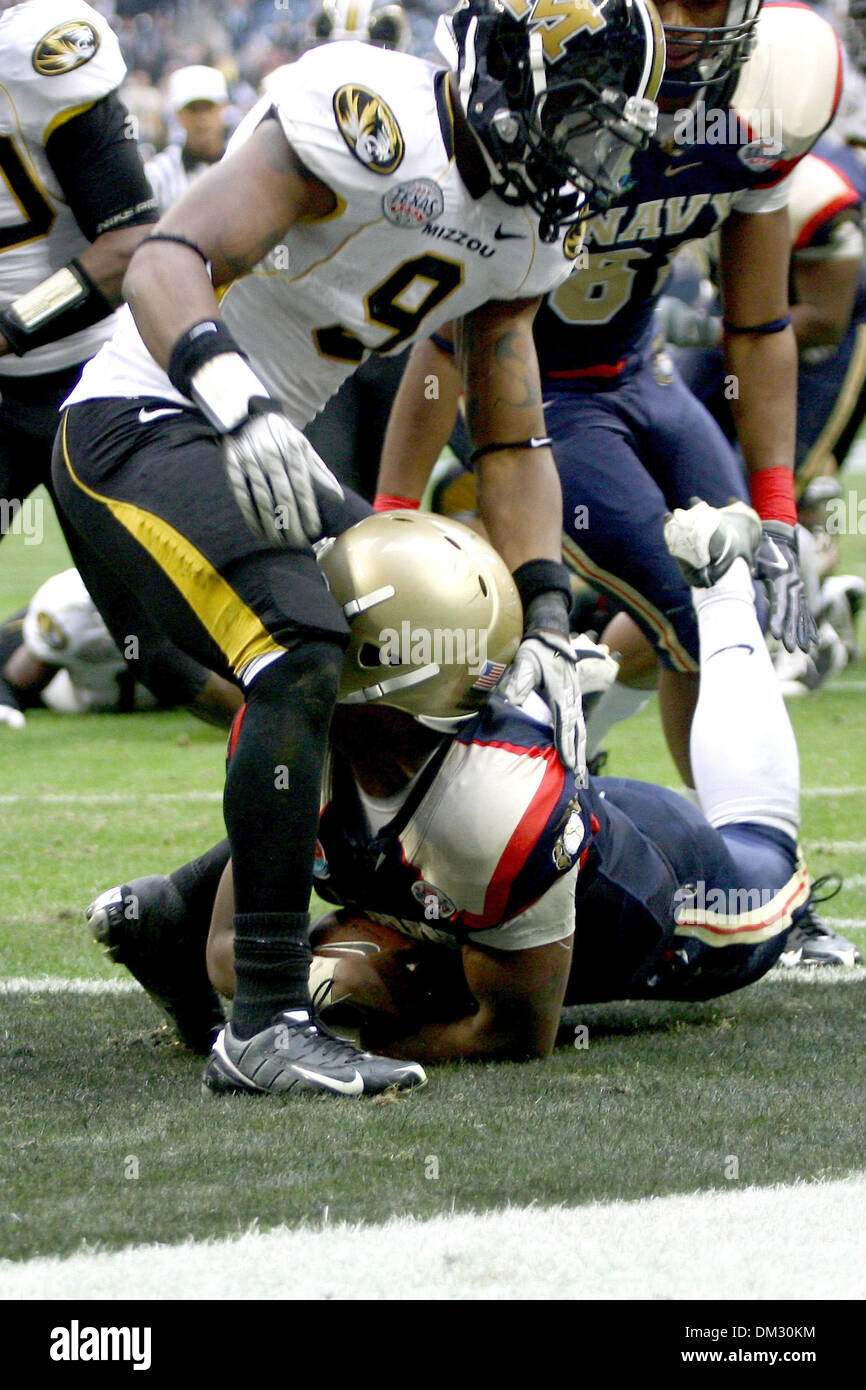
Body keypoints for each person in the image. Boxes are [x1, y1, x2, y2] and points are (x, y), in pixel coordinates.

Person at [54, 0, 665, 1098]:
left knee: (446, 667)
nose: (585, 152)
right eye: (574, 117)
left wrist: (549, 623)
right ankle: (267, 1020)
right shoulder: (371, 112)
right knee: (302, 649)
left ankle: (180, 915)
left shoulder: (525, 221)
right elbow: (164, 261)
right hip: (153, 414)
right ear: (504, 70)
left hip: (267, 446)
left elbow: (511, 428)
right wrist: (233, 395)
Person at [90, 500, 847, 1065]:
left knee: (767, 859)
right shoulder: (304, 734)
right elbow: (232, 946)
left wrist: (377, 1023)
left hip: (656, 900)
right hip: (496, 871)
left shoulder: (494, 809)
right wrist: (322, 974)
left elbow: (517, 1037)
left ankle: (721, 590)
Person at [376, 0, 842, 789]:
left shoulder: (762, 98)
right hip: (532, 397)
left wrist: (778, 510)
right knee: (704, 623)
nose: (691, 22)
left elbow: (758, 326)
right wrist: (389, 510)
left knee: (741, 601)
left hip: (638, 368)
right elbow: (452, 335)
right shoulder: (560, 79)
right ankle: (743, 880)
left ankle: (581, 715)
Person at [0, 567, 243, 726]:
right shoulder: (67, 606)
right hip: (79, 693)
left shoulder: (179, 590)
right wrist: (7, 704)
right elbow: (16, 677)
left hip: (171, 689)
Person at [144, 64, 230, 214]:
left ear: (222, 109)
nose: (202, 118)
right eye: (193, 109)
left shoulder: (240, 160)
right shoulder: (160, 172)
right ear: (179, 114)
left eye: (208, 107)